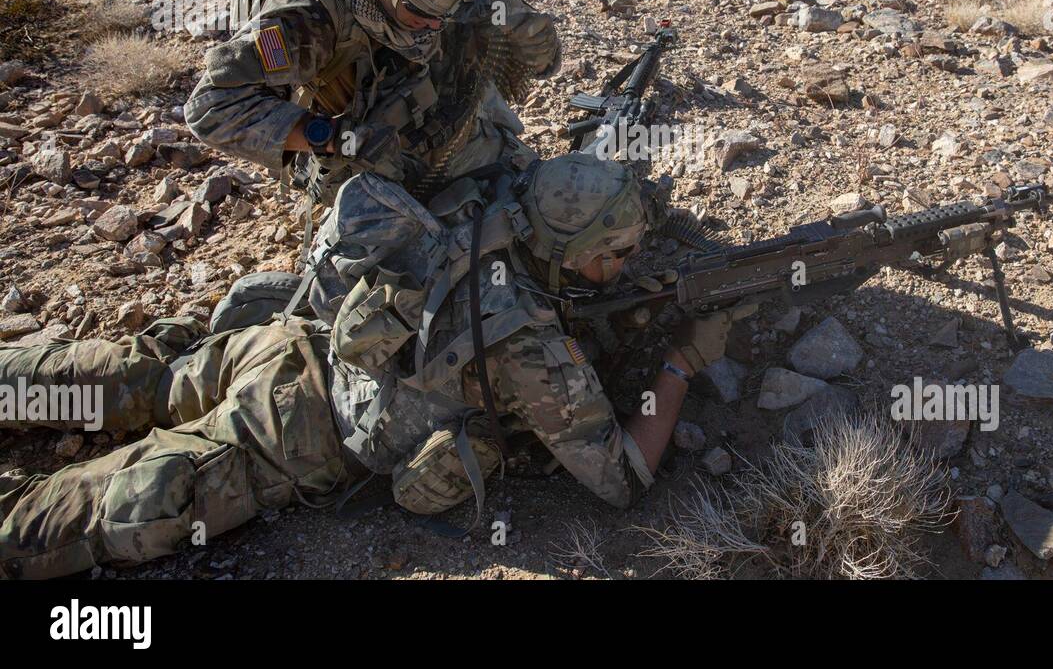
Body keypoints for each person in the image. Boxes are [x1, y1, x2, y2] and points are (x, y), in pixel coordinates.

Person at [0, 155, 747, 579]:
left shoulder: (483, 204)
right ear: (565, 248)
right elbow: (622, 478)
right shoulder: (529, 349)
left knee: (128, 380)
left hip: (282, 341)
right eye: (612, 253)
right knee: (114, 507)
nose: (623, 265)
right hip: (281, 440)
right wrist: (679, 364)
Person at [183, 0, 559, 207]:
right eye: (422, 12)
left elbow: (545, 63)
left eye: (447, 14)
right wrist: (329, 136)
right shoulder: (310, 16)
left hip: (435, 114)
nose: (435, 25)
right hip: (352, 148)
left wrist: (522, 29)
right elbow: (210, 106)